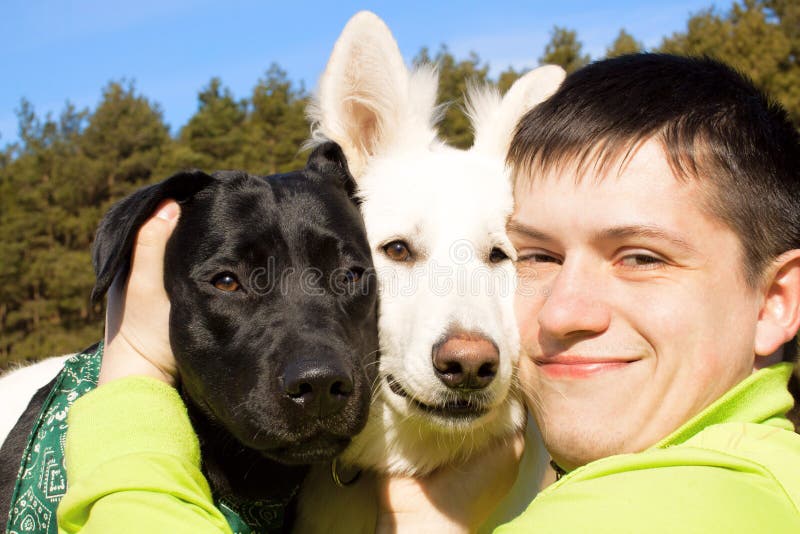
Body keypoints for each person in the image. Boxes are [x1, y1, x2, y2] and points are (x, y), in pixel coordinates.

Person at [58, 53, 800, 533]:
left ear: (775, 301)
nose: (566, 310)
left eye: (641, 258)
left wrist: (132, 372)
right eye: (537, 255)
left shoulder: (694, 507)